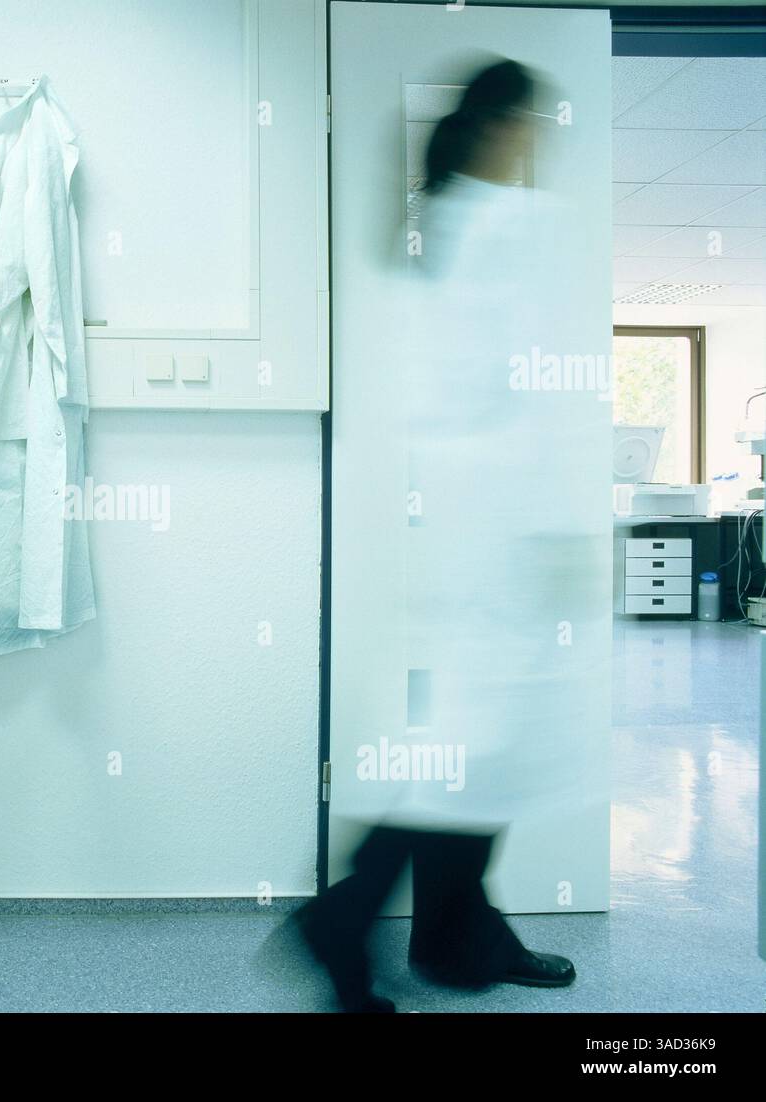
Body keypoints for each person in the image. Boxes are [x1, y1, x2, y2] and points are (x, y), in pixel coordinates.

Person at [299, 58, 588, 1014]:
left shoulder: (436, 225)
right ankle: (355, 914)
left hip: (458, 512)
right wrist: (554, 530)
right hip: (502, 516)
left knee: (478, 747)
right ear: (510, 125)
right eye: (536, 122)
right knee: (476, 747)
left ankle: (454, 938)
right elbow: (534, 386)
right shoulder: (510, 222)